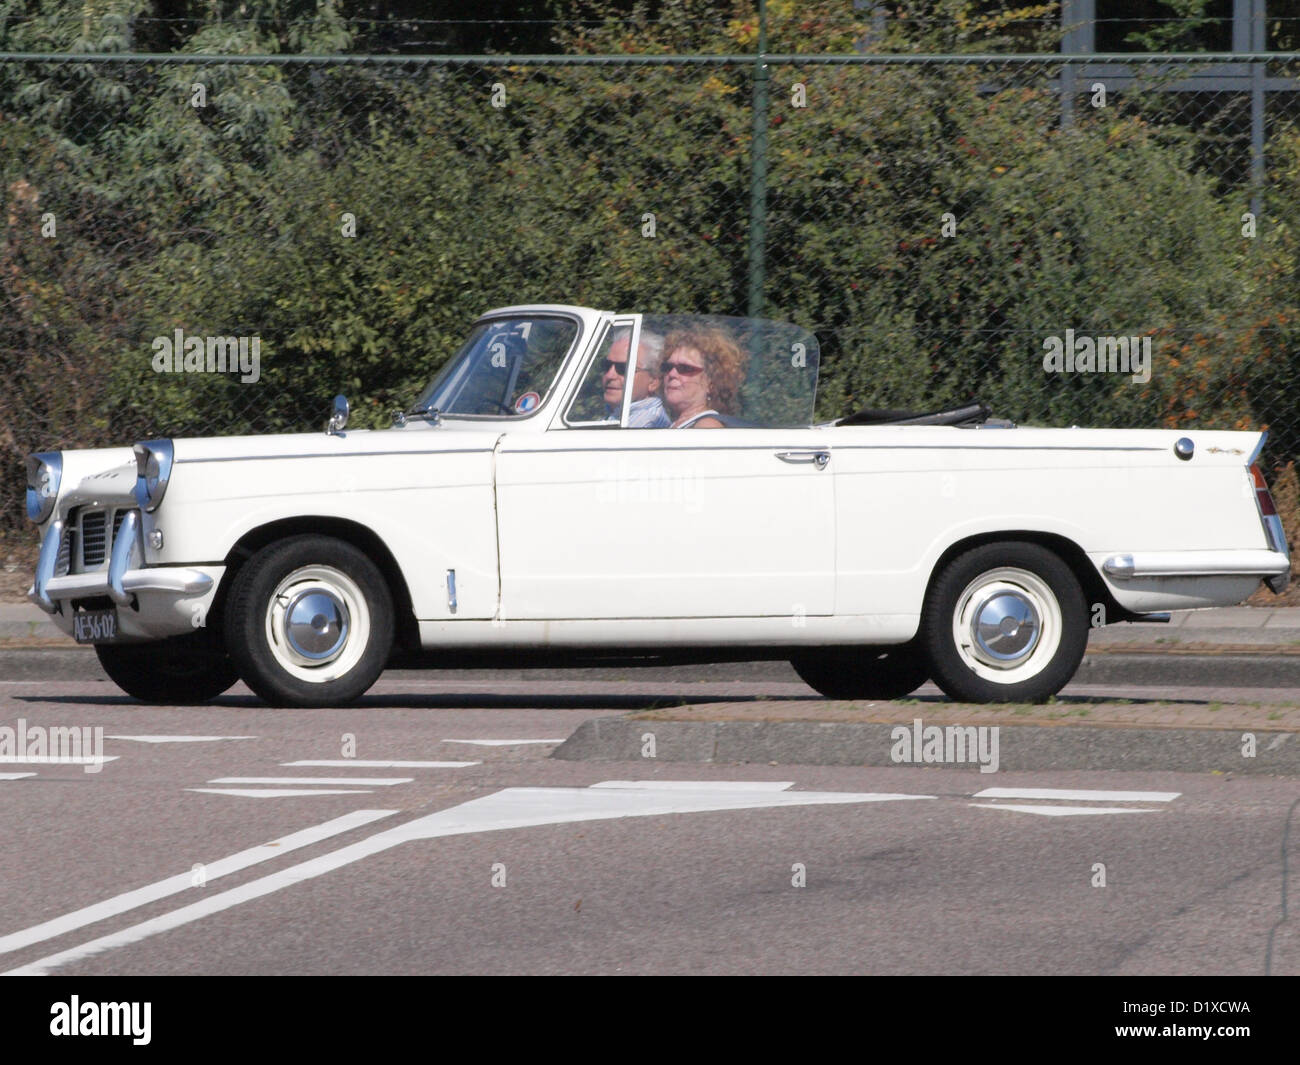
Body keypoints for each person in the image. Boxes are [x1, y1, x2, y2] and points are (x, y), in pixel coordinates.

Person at [658, 326, 746, 428]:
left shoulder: (707, 426)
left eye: (685, 368)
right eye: (667, 367)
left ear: (711, 382)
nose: (672, 374)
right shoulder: (676, 424)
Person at [603, 330, 671, 428]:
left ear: (653, 381)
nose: (610, 375)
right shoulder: (619, 417)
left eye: (624, 368)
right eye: (607, 365)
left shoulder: (647, 423)